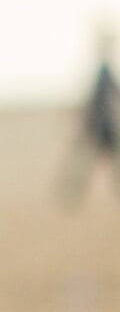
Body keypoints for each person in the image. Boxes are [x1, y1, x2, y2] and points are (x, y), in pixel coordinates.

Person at [59, 31, 119, 207]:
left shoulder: (105, 73)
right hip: (99, 127)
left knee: (99, 163)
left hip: (104, 128)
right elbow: (93, 101)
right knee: (84, 163)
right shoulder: (103, 73)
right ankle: (71, 192)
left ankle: (72, 192)